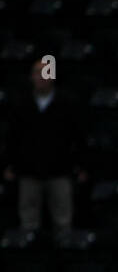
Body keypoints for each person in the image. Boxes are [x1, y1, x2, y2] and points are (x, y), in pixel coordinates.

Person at [4, 59, 86, 238]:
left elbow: (78, 137)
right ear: (31, 77)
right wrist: (10, 165)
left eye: (45, 73)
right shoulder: (21, 104)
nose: (41, 77)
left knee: (63, 222)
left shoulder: (67, 104)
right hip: (29, 172)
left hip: (59, 171)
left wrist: (80, 165)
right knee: (28, 223)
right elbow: (13, 137)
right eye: (37, 73)